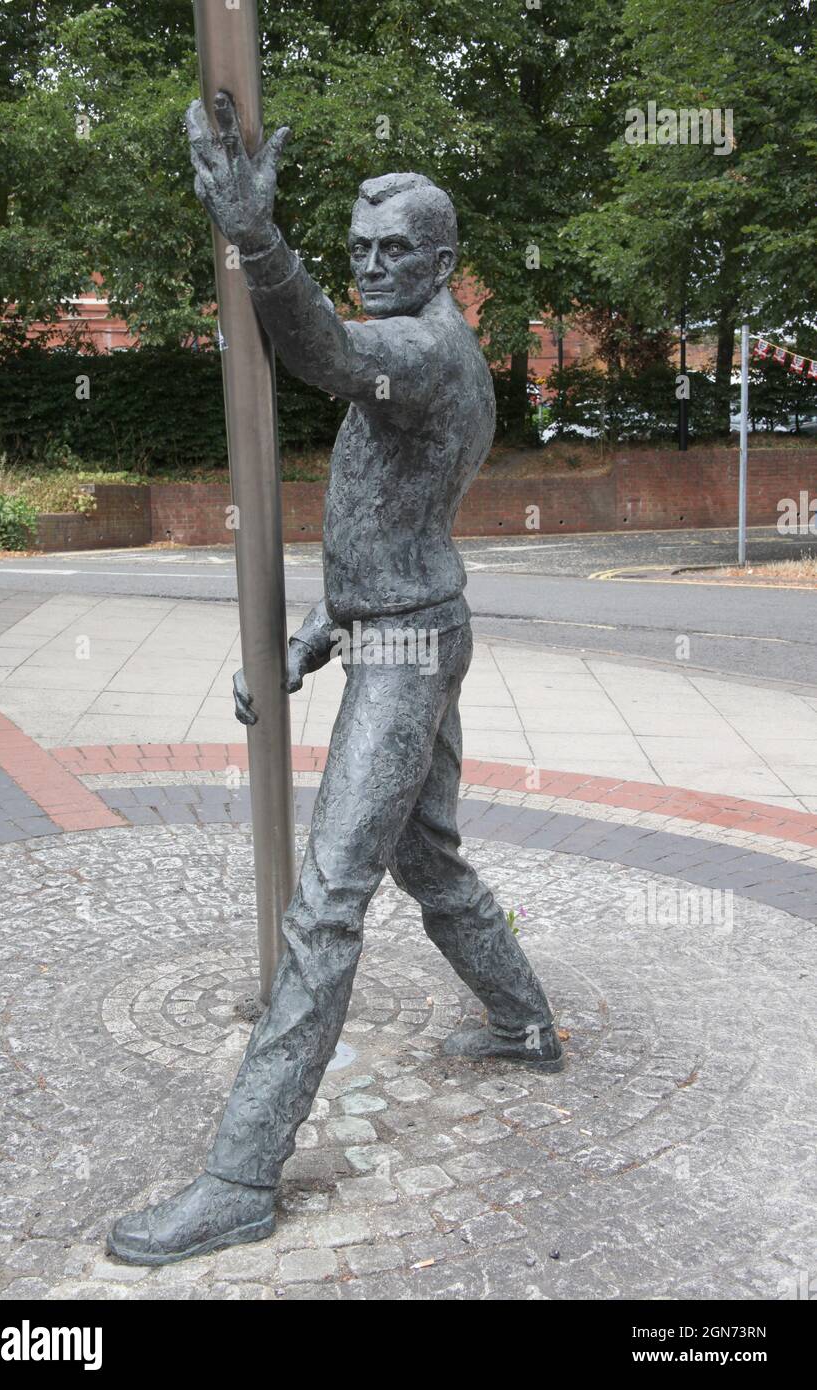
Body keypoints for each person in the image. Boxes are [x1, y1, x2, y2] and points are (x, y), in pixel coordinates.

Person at [107, 92, 561, 1267]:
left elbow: (321, 350)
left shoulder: (419, 348)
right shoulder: (416, 345)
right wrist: (318, 633)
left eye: (392, 249)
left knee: (324, 903)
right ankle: (522, 1020)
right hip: (408, 622)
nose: (369, 267)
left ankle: (238, 1176)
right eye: (357, 249)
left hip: (409, 653)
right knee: (429, 856)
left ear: (442, 261)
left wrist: (257, 241)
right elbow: (386, 521)